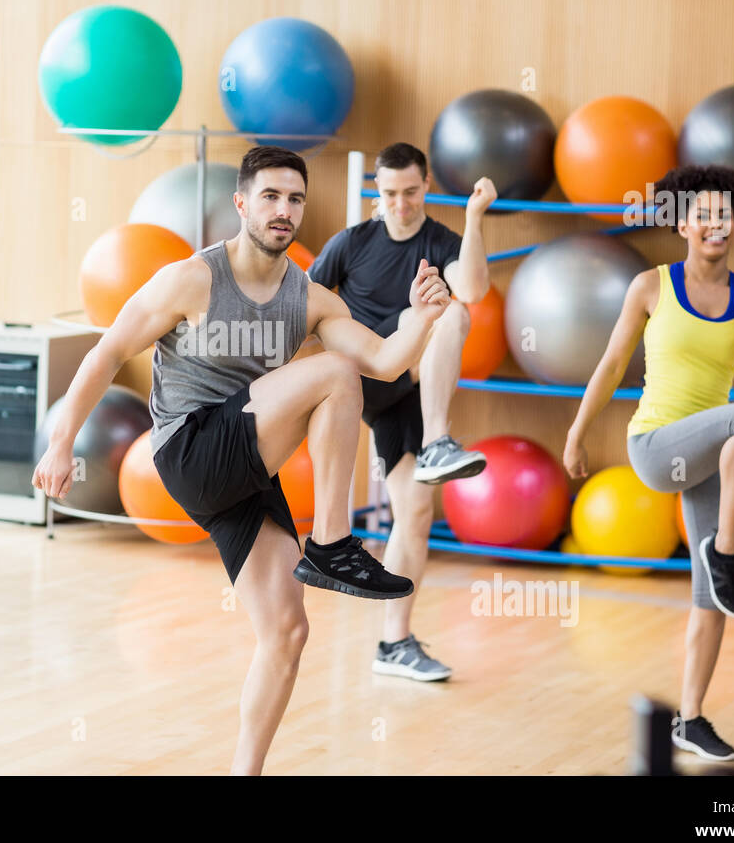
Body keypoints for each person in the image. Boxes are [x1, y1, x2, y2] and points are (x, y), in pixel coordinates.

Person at [34, 145, 450, 774]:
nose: (285, 210)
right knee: (333, 374)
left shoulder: (306, 296)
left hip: (245, 467)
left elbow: (386, 361)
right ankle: (334, 544)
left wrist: (421, 320)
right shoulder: (192, 279)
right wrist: (62, 440)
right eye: (271, 197)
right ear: (241, 204)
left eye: (296, 199)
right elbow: (107, 350)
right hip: (190, 447)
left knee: (287, 634)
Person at [563, 164, 734, 761]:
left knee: (711, 599)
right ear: (681, 225)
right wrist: (576, 433)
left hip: (705, 456)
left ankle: (690, 719)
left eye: (722, 215)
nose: (713, 224)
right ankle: (726, 550)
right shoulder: (651, 285)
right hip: (655, 446)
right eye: (701, 215)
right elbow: (612, 363)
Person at [308, 142, 495, 681]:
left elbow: (474, 286)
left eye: (410, 192)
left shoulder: (441, 240)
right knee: (447, 315)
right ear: (377, 192)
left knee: (414, 512)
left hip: (410, 393)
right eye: (389, 194)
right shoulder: (353, 242)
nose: (401, 204)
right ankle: (439, 442)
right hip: (366, 376)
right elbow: (304, 302)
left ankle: (394, 642)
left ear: (426, 186)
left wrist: (475, 218)